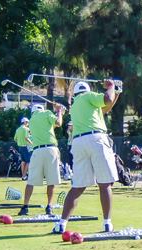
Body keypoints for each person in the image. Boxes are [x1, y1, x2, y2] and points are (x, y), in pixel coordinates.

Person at [53, 80, 120, 234]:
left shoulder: (75, 105)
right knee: (105, 184)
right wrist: (110, 87)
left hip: (78, 143)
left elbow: (106, 108)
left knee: (78, 186)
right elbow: (107, 100)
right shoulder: (89, 96)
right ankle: (107, 223)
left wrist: (116, 92)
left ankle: (62, 223)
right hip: (96, 139)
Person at [19, 103, 65, 216]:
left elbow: (48, 127)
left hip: (37, 151)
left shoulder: (31, 121)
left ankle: (25, 207)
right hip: (51, 149)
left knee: (30, 181)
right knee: (51, 181)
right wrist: (59, 112)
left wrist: (58, 112)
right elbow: (58, 123)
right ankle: (49, 206)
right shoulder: (47, 113)